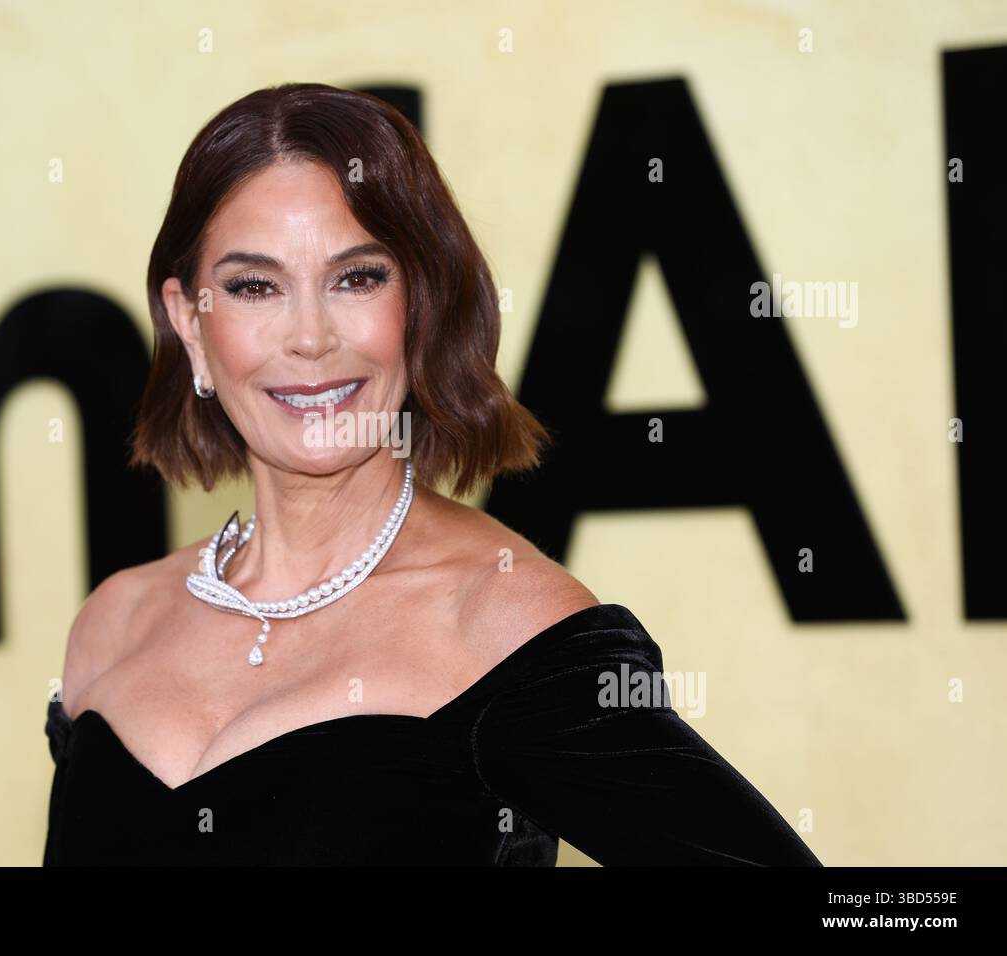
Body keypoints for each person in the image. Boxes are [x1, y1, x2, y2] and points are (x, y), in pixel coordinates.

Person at [42, 82, 822, 866]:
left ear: (422, 305)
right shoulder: (115, 626)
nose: (309, 338)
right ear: (190, 323)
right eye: (255, 286)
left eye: (357, 278)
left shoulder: (501, 621)